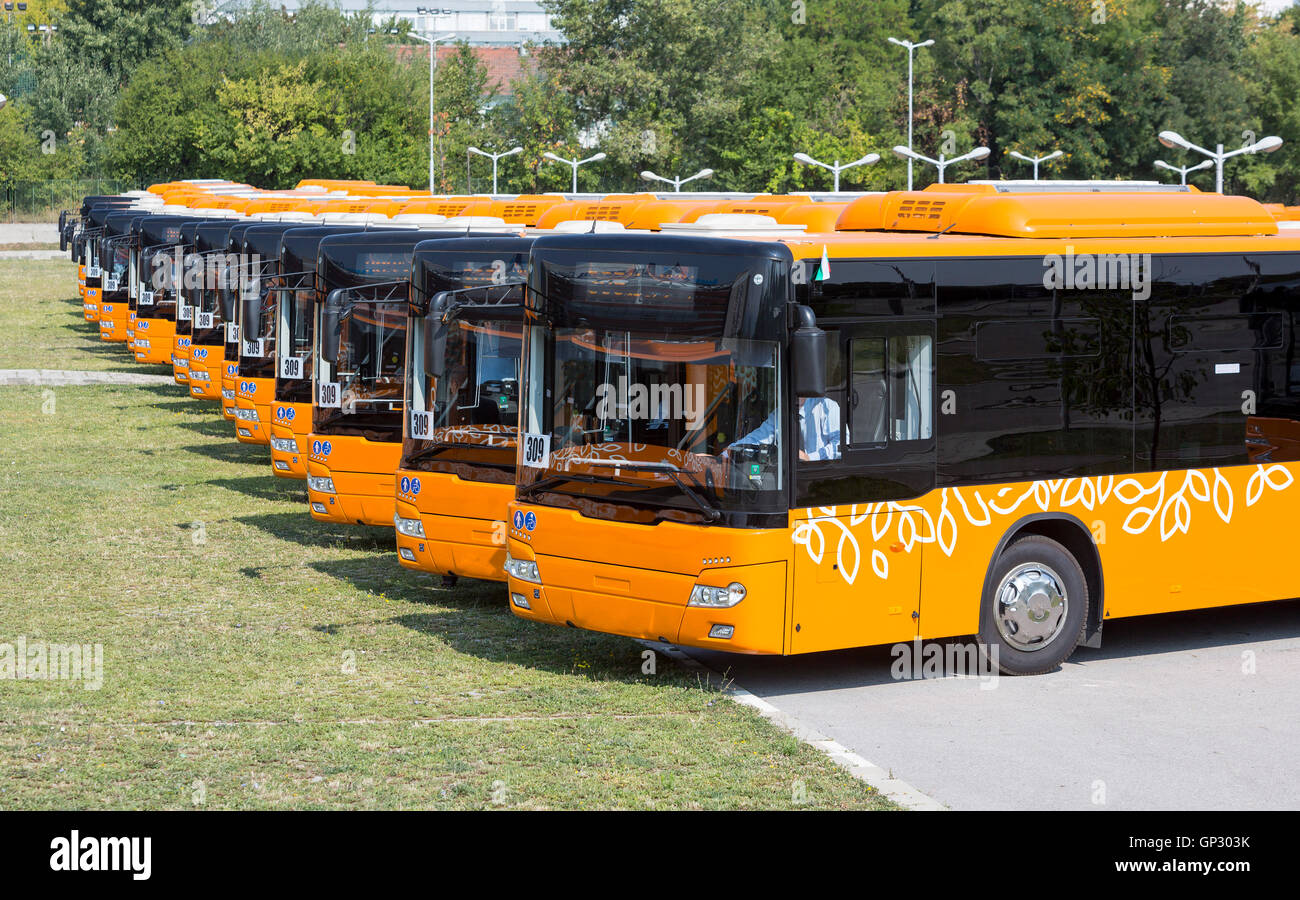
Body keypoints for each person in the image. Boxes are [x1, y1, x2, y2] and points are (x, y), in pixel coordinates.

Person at [734, 396, 841, 461]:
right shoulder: (780, 413)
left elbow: (840, 446)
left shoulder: (827, 407)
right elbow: (758, 438)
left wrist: (810, 458)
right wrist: (730, 450)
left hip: (820, 478)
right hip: (786, 480)